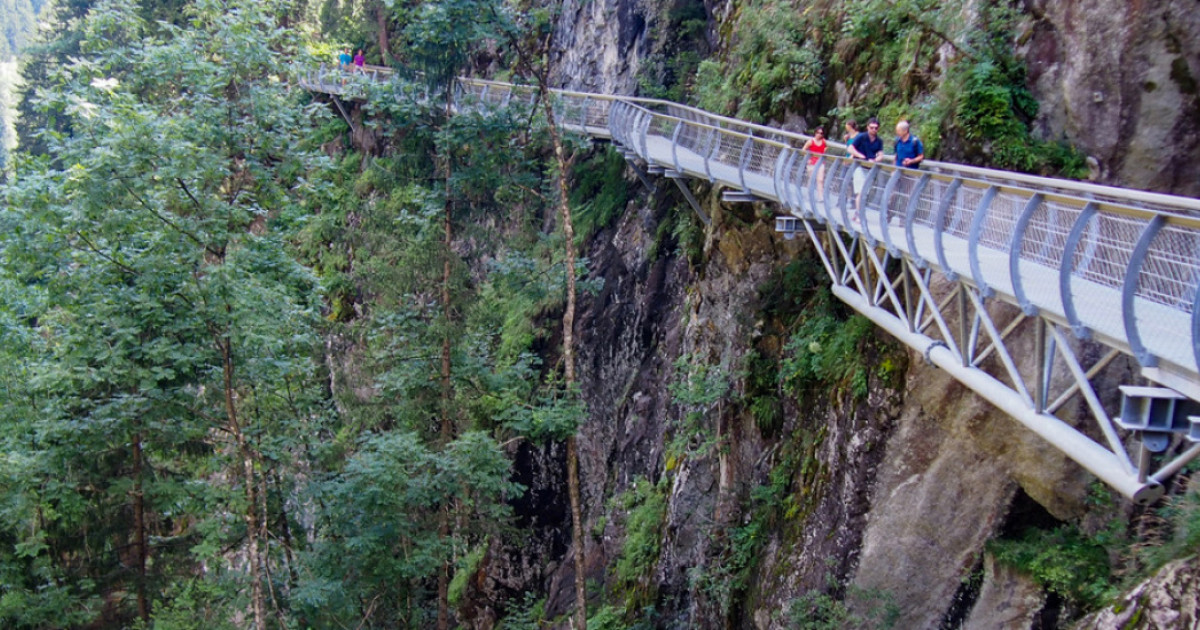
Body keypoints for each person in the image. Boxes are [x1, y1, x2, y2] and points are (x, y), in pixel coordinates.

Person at [847, 117, 884, 220]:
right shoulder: (861, 137)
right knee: (861, 191)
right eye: (871, 128)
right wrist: (859, 155)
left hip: (870, 168)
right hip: (859, 166)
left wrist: (876, 159)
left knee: (865, 193)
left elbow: (881, 154)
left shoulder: (879, 141)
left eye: (876, 128)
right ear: (867, 127)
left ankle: (857, 213)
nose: (873, 130)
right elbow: (850, 148)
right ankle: (859, 214)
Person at [803, 126, 828, 191]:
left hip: (820, 162)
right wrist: (807, 159)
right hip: (812, 162)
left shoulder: (823, 141)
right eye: (818, 133)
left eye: (821, 133)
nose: (819, 134)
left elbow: (826, 147)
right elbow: (804, 149)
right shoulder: (811, 141)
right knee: (811, 179)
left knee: (820, 180)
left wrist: (823, 151)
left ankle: (820, 198)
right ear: (815, 133)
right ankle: (809, 194)